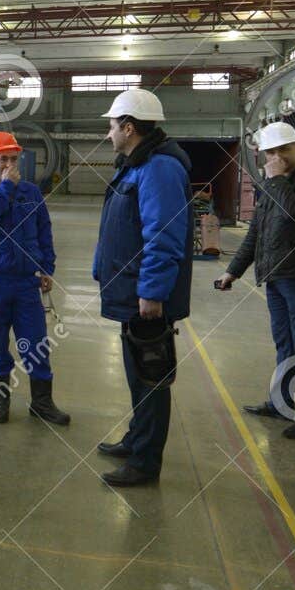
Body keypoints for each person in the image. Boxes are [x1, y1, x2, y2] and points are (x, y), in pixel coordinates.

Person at [93, 87, 194, 487]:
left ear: (129, 127)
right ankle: (137, 439)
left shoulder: (158, 169)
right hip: (130, 290)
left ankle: (145, 463)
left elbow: (164, 235)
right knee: (138, 375)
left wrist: (152, 291)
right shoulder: (136, 164)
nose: (109, 134)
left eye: (112, 126)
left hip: (145, 297)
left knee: (151, 379)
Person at [213, 121, 295, 439]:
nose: (278, 156)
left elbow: (292, 213)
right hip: (275, 276)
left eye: (284, 150)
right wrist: (232, 271)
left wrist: (276, 179)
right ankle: (282, 402)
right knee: (284, 342)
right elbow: (257, 232)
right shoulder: (272, 184)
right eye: (271, 151)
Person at [0, 131, 69, 426]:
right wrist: (7, 188)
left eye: (14, 159)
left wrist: (46, 267)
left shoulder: (31, 193)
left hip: (26, 282)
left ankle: (42, 402)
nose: (10, 165)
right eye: (3, 159)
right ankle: (0, 401)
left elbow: (43, 229)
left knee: (35, 343)